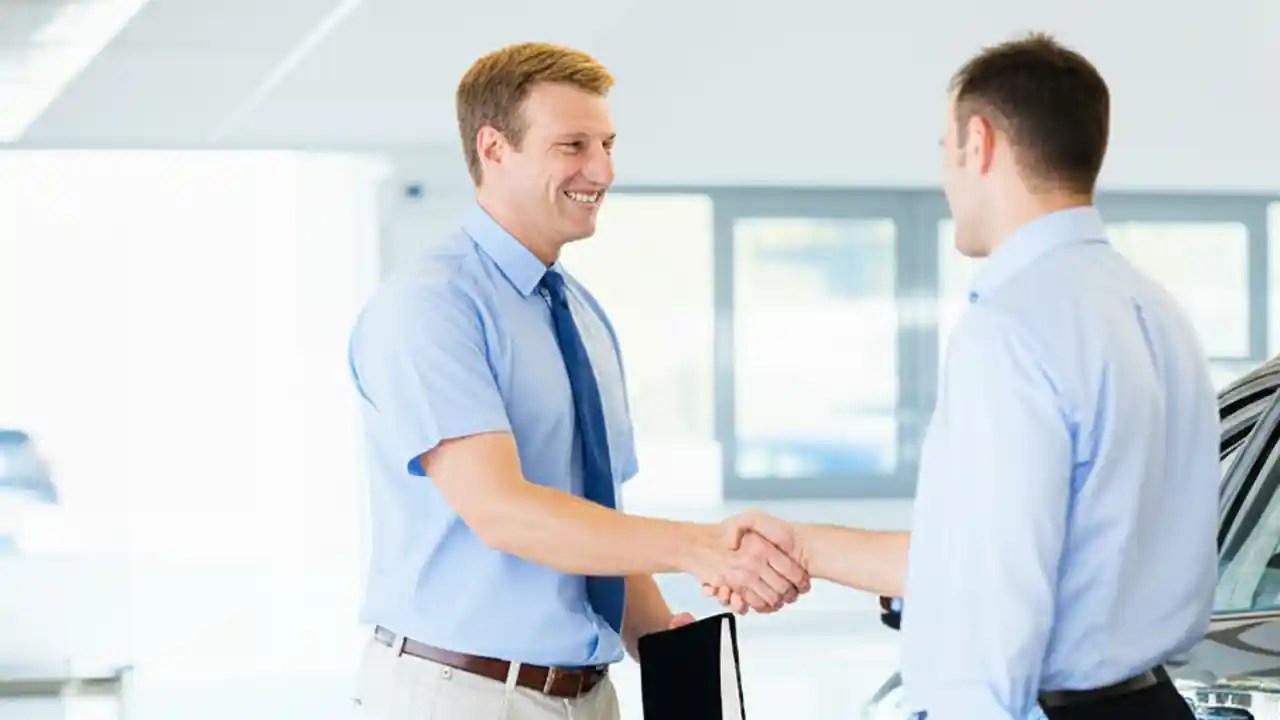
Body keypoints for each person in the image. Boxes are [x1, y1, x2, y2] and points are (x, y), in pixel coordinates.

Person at [712, 33, 1219, 720]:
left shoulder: (1014, 325)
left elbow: (997, 588)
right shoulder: (1158, 312)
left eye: (944, 149)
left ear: (978, 142)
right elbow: (1007, 546)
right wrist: (802, 545)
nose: (947, 177)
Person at [346, 42, 809, 720]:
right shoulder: (432, 304)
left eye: (607, 145)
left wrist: (659, 639)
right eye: (573, 146)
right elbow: (502, 511)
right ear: (494, 148)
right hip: (464, 694)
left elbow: (596, 515)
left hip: (589, 694)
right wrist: (701, 548)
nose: (602, 170)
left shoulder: (580, 314)